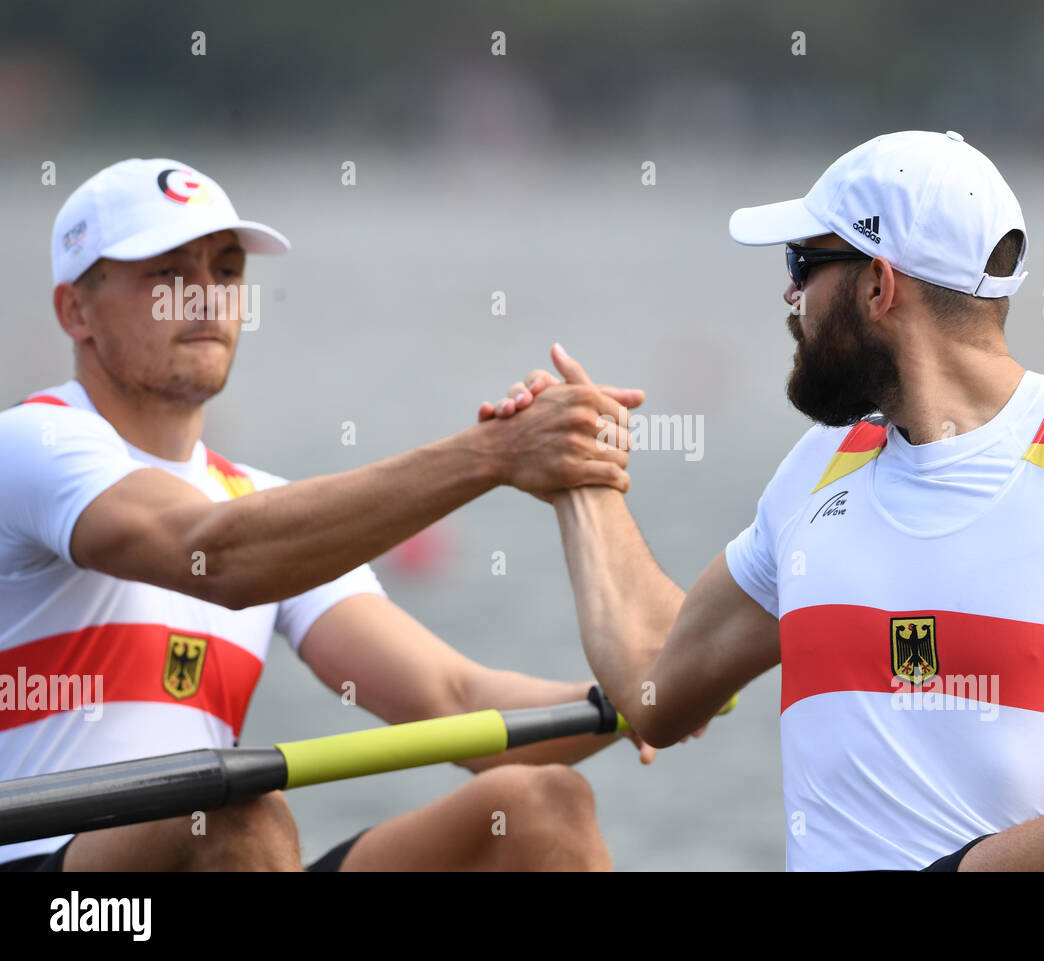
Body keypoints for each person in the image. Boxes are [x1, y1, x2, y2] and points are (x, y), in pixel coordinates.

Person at [482, 130, 1044, 871]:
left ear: (877, 285)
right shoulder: (818, 472)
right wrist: (582, 479)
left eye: (802, 265)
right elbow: (653, 692)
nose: (788, 298)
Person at [0, 157, 676, 873]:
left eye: (226, 272)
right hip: (64, 895)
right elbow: (213, 554)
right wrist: (494, 455)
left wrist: (651, 690)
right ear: (75, 310)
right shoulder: (31, 444)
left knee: (545, 808)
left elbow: (457, 702)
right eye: (166, 274)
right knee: (236, 813)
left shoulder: (264, 505)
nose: (205, 299)